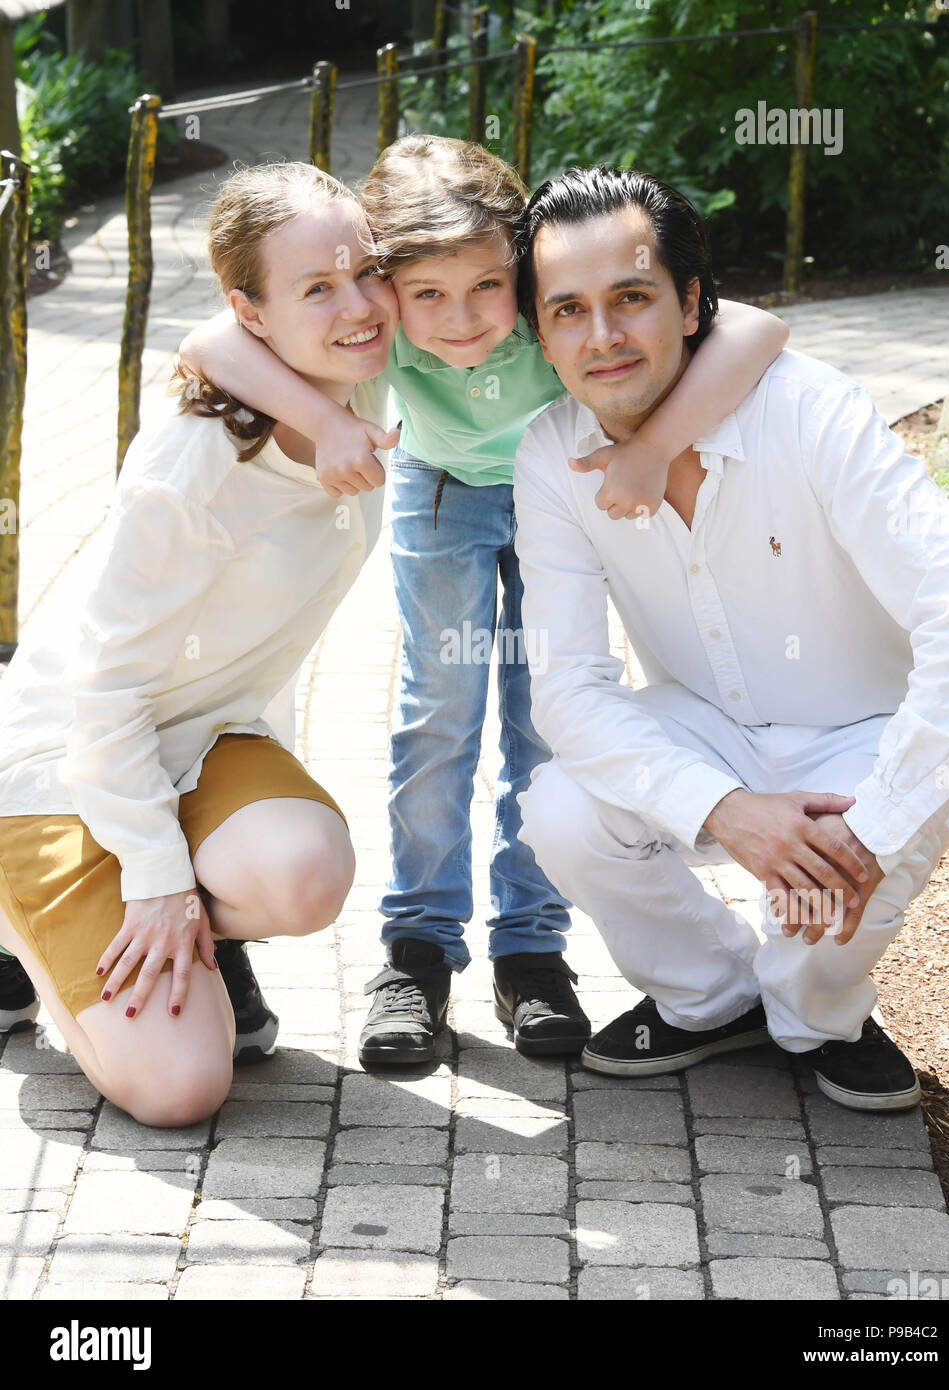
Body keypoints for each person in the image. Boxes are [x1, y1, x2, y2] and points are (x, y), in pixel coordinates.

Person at [180, 135, 790, 1066]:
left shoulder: (549, 318)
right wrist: (328, 420)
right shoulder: (386, 334)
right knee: (438, 718)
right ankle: (418, 950)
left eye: (484, 288)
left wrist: (651, 444)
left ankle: (531, 953)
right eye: (426, 293)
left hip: (560, 502)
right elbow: (208, 340)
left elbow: (755, 331)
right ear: (386, 286)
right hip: (439, 500)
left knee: (547, 717)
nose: (459, 320)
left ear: (518, 267)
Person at [512, 166, 949, 1111]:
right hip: (709, 730)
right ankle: (709, 1002)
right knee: (560, 808)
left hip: (866, 738)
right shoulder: (549, 455)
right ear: (540, 332)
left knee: (822, 910)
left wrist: (875, 826)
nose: (601, 337)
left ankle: (816, 1020)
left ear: (691, 303)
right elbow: (569, 689)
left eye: (632, 298)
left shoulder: (809, 410)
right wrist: (725, 807)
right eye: (568, 310)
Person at [0, 161, 399, 1125]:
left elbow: (214, 332)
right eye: (317, 288)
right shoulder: (193, 466)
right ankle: (21, 925)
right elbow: (105, 693)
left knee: (307, 872)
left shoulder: (356, 378)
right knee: (184, 1089)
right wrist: (157, 877)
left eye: (368, 271)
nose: (359, 306)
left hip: (203, 742)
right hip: (69, 760)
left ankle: (180, 930)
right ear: (253, 312)